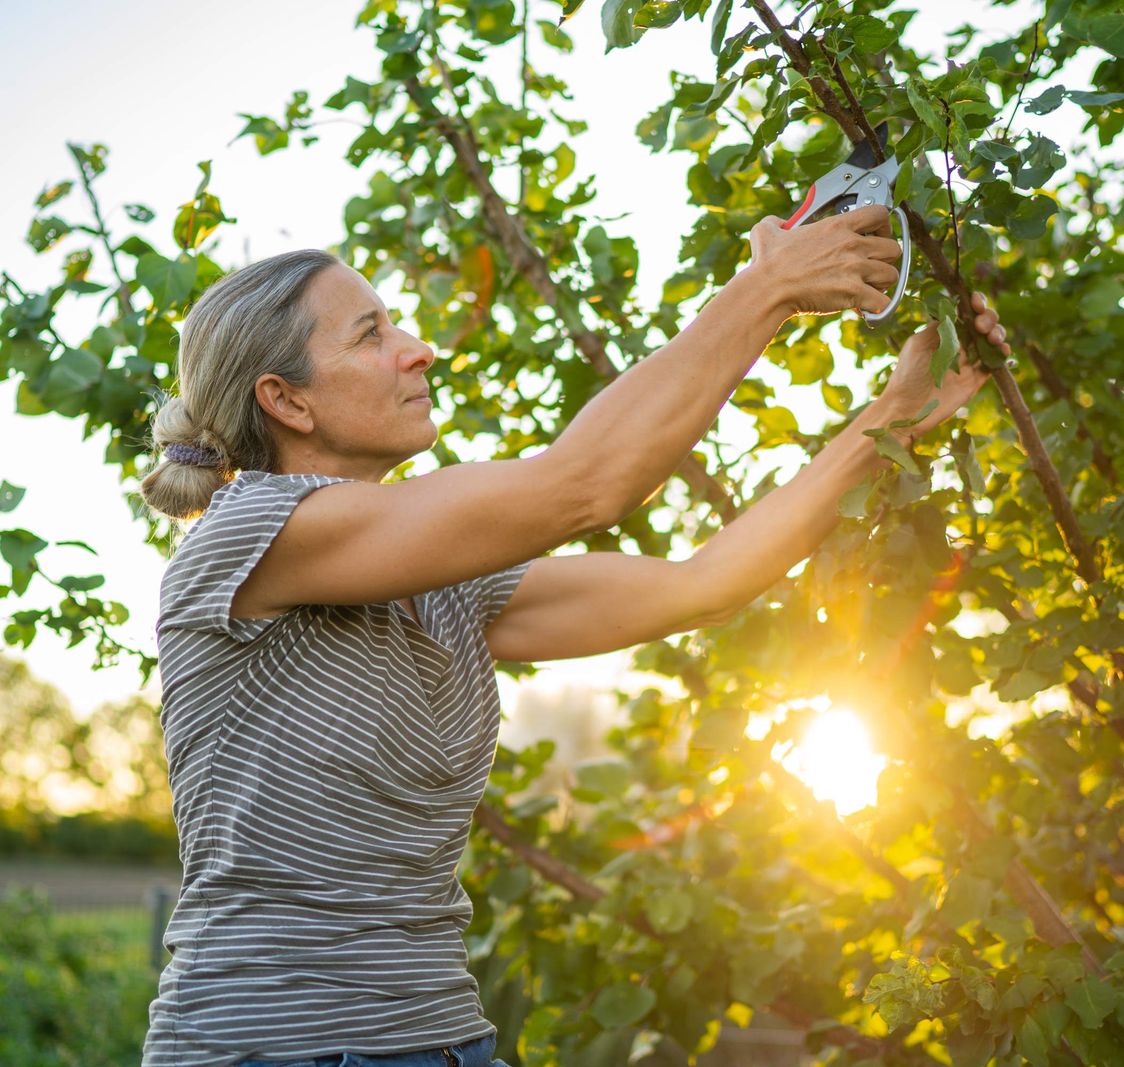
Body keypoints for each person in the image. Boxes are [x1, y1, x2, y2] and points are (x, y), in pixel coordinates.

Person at [137, 204, 1009, 1067]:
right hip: (272, 1046)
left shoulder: (445, 583)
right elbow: (586, 483)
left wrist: (892, 422)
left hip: (440, 1040)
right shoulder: (250, 534)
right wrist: (770, 289)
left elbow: (705, 586)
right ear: (286, 400)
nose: (417, 348)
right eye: (371, 335)